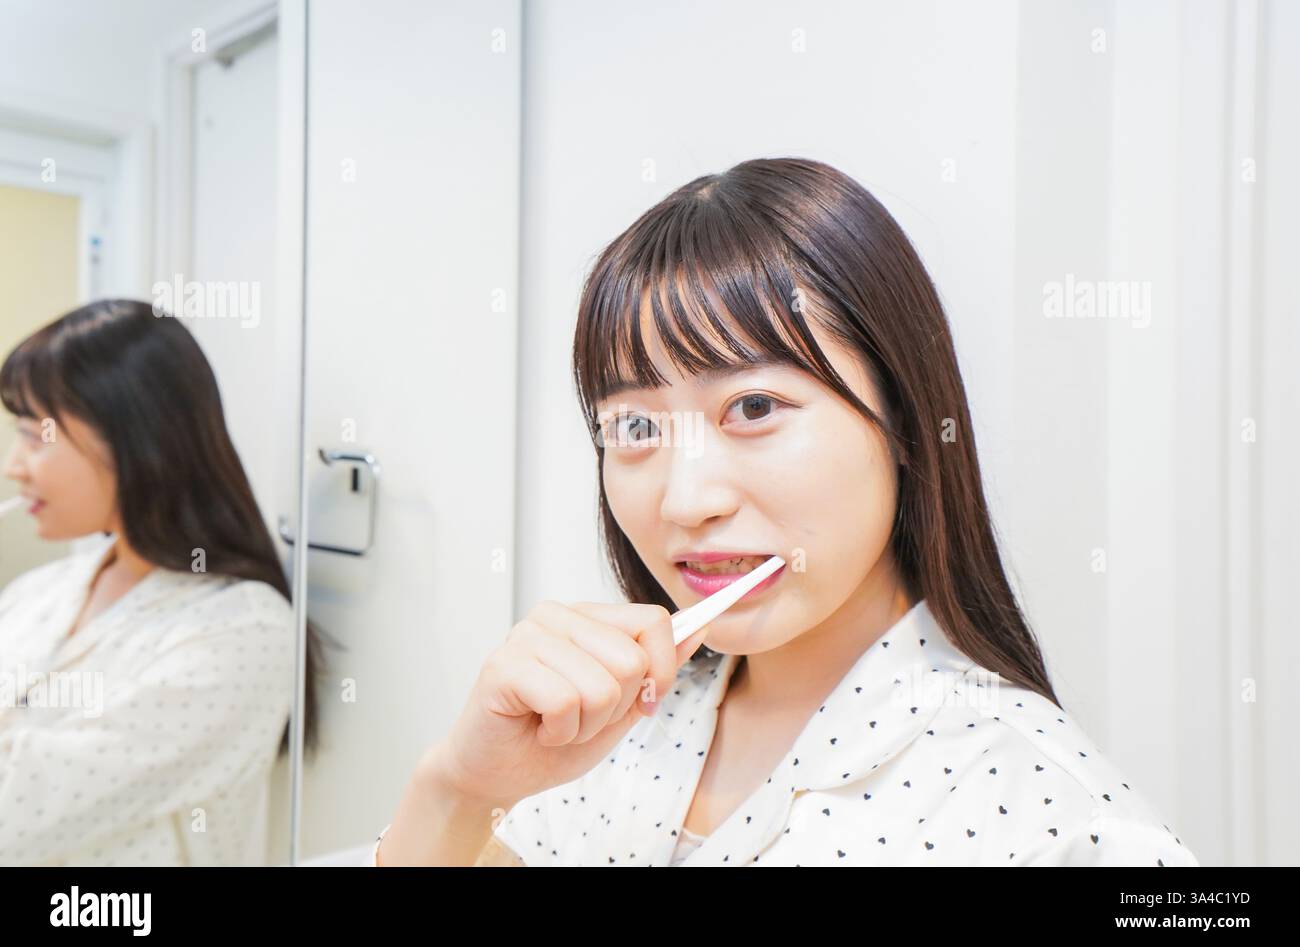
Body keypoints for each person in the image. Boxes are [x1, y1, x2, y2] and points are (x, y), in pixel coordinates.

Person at [374, 158, 1198, 866]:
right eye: (635, 427)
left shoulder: (1047, 810)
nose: (686, 500)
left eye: (756, 406)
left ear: (906, 423)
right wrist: (461, 785)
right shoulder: (603, 738)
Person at [0, 299, 323, 865]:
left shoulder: (241, 632)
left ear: (133, 437)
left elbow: (18, 814)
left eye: (36, 436)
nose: (13, 466)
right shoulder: (40, 592)